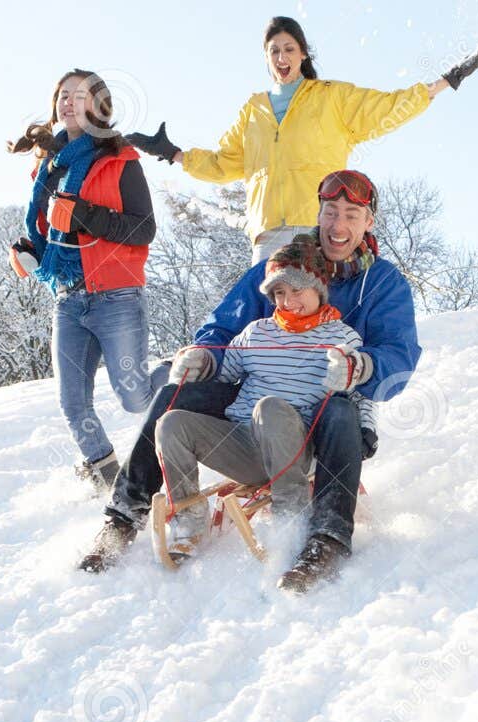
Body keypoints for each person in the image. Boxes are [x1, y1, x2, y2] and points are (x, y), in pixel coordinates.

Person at [79, 169, 419, 594]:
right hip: (257, 404)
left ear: (369, 222)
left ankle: (327, 538)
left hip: (322, 415)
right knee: (174, 393)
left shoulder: (383, 285)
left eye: (353, 214)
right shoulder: (281, 267)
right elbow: (226, 328)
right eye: (331, 211)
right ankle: (123, 515)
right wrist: (204, 355)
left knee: (339, 408)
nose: (339, 224)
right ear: (319, 211)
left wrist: (362, 367)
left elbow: (398, 356)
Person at [127, 17, 478, 261]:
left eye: (289, 48)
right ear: (266, 58)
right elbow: (225, 164)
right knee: (271, 327)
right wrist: (173, 152)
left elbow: (389, 107)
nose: (282, 56)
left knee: (314, 319)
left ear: (303, 54)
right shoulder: (253, 109)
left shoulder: (330, 97)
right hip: (267, 233)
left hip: (318, 228)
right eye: (274, 50)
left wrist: (448, 80)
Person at [156, 235, 374, 564]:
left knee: (269, 407)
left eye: (296, 290)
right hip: (244, 446)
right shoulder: (256, 332)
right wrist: (201, 361)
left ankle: (291, 512)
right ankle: (189, 517)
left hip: (298, 447)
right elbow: (223, 371)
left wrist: (367, 429)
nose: (287, 301)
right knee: (171, 423)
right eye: (279, 293)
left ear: (319, 288)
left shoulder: (342, 336)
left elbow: (359, 395)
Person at [9, 69, 157, 493]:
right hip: (67, 299)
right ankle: (111, 482)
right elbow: (52, 233)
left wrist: (83, 215)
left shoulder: (119, 159)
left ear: (99, 106)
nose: (69, 102)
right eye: (63, 95)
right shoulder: (48, 168)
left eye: (79, 95)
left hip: (116, 295)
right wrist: (30, 254)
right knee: (72, 403)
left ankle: (184, 377)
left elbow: (143, 228)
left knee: (136, 396)